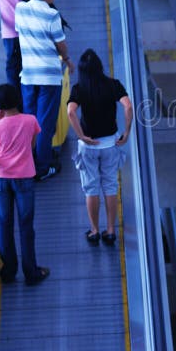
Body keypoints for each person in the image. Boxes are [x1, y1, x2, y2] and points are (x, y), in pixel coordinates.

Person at [0, 84, 50, 285]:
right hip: (24, 177)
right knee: (26, 225)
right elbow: (31, 145)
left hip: (1, 178)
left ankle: (9, 272)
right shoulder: (31, 121)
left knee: (5, 224)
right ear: (18, 99)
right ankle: (31, 272)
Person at [67, 49, 132, 246]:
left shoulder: (79, 89)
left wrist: (81, 136)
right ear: (100, 67)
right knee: (111, 186)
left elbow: (71, 112)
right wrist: (126, 132)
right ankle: (111, 230)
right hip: (111, 143)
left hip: (89, 147)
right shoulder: (113, 85)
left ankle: (95, 230)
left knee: (91, 188)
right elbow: (128, 106)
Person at [14, 0, 75, 180]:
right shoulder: (51, 15)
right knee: (44, 123)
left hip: (28, 75)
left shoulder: (20, 9)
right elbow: (61, 44)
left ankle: (28, 161)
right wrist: (67, 59)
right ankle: (41, 169)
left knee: (30, 121)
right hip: (49, 76)